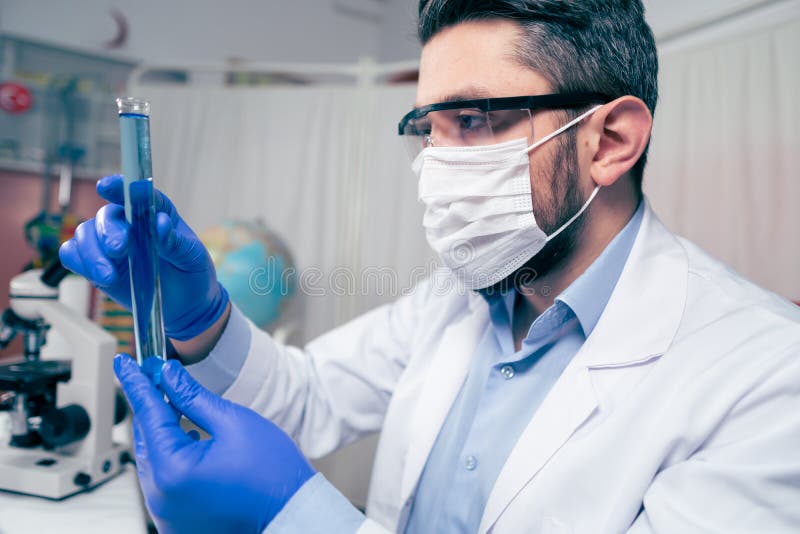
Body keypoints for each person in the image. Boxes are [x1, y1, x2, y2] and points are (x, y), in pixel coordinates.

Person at [60, 1, 800, 533]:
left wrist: (300, 519)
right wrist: (203, 317)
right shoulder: (461, 297)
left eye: (475, 122)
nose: (437, 165)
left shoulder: (769, 379)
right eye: (429, 128)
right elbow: (309, 398)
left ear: (608, 141)